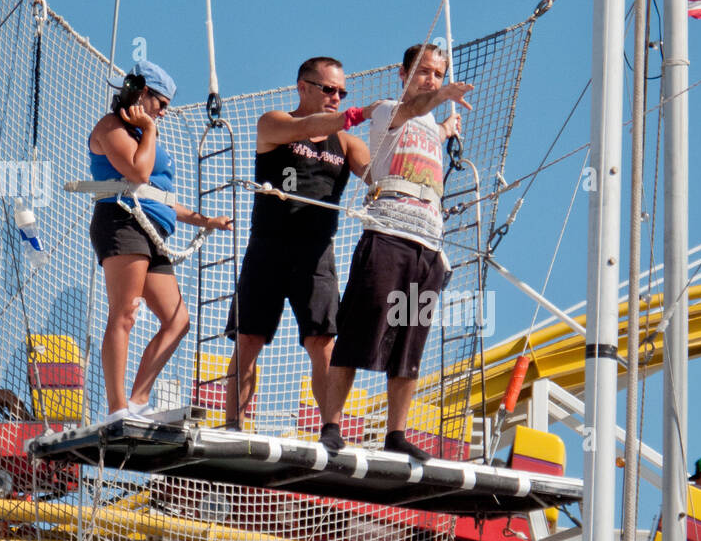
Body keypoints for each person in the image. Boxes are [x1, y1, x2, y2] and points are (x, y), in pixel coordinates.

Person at [323, 44, 473, 460]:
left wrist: (446, 126)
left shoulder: (431, 127)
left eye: (438, 75)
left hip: (427, 246)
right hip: (387, 234)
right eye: (423, 72)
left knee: (411, 342)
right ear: (403, 73)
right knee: (359, 328)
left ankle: (396, 433)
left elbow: (431, 126)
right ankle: (332, 425)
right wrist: (440, 99)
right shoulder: (390, 110)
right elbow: (413, 110)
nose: (431, 80)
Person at [225, 57, 371, 427]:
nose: (336, 97)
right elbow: (305, 127)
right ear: (303, 87)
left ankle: (331, 429)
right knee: (248, 340)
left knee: (323, 344)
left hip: (316, 253)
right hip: (268, 249)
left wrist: (431, 131)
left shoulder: (348, 143)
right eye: (329, 89)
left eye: (342, 92)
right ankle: (233, 425)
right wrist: (356, 114)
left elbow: (379, 174)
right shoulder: (275, 123)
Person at [89, 61, 232, 422]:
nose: (164, 111)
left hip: (152, 229)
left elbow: (158, 194)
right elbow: (137, 172)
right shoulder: (112, 128)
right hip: (122, 221)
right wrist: (149, 128)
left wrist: (204, 220)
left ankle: (138, 401)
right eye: (161, 103)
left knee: (177, 319)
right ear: (140, 93)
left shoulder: (142, 135)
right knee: (125, 313)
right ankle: (117, 408)